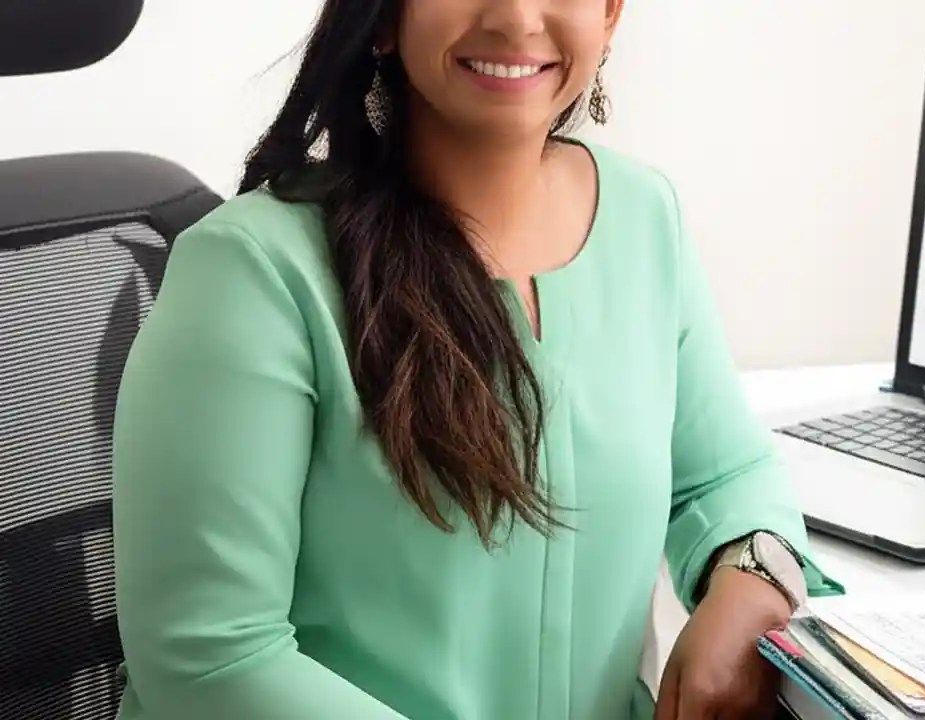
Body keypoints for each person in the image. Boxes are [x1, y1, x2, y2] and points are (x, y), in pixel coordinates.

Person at [110, 1, 839, 718]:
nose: (518, 18)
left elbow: (728, 476)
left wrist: (750, 590)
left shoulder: (644, 218)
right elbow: (209, 656)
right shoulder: (253, 271)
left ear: (611, 13)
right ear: (387, 17)